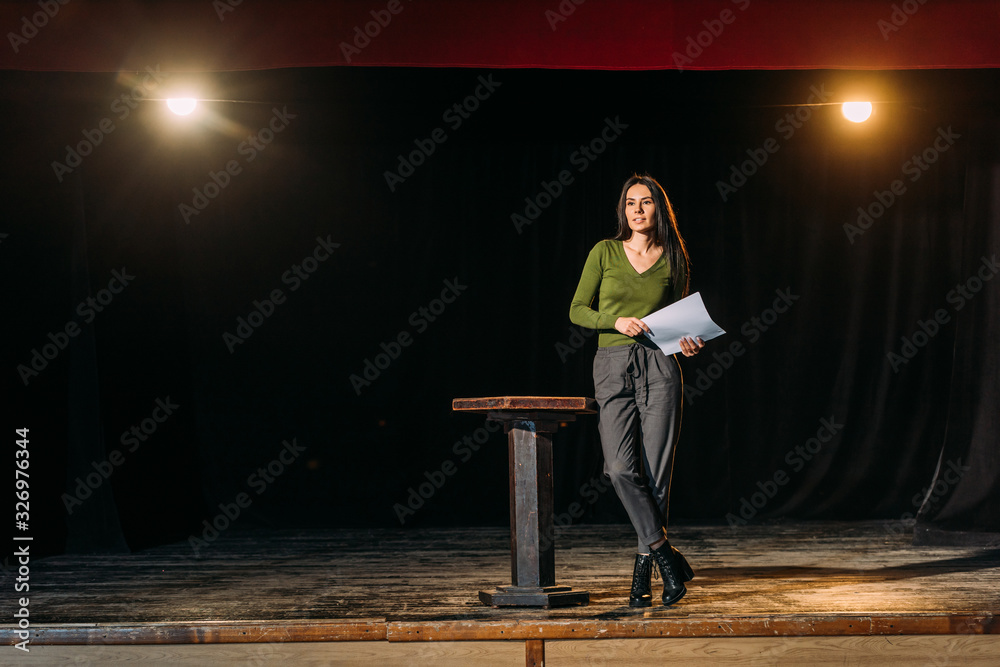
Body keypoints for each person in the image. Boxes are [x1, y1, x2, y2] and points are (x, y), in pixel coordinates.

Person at [569, 173, 704, 607]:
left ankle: (644, 569)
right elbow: (576, 310)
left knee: (657, 475)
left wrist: (688, 341)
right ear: (623, 209)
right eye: (631, 203)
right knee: (618, 469)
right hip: (612, 365)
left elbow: (678, 321)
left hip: (660, 366)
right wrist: (615, 321)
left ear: (658, 209)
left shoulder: (674, 257)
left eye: (646, 202)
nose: (638, 210)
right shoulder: (604, 252)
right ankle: (666, 554)